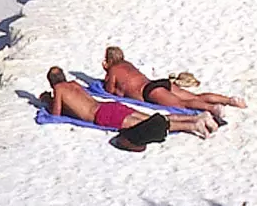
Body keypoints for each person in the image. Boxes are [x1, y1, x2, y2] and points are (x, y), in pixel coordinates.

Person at [44, 67, 213, 149]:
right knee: (150, 118)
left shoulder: (58, 89)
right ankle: (196, 118)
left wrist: (47, 101)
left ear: (52, 83)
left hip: (102, 115)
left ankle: (192, 125)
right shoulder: (74, 84)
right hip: (109, 106)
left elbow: (56, 114)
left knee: (148, 124)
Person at [102, 47, 245, 122]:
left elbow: (109, 91)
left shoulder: (113, 70)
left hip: (149, 91)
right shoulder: (128, 64)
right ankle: (229, 100)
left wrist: (107, 70)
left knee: (182, 104)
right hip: (159, 83)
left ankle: (212, 108)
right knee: (195, 96)